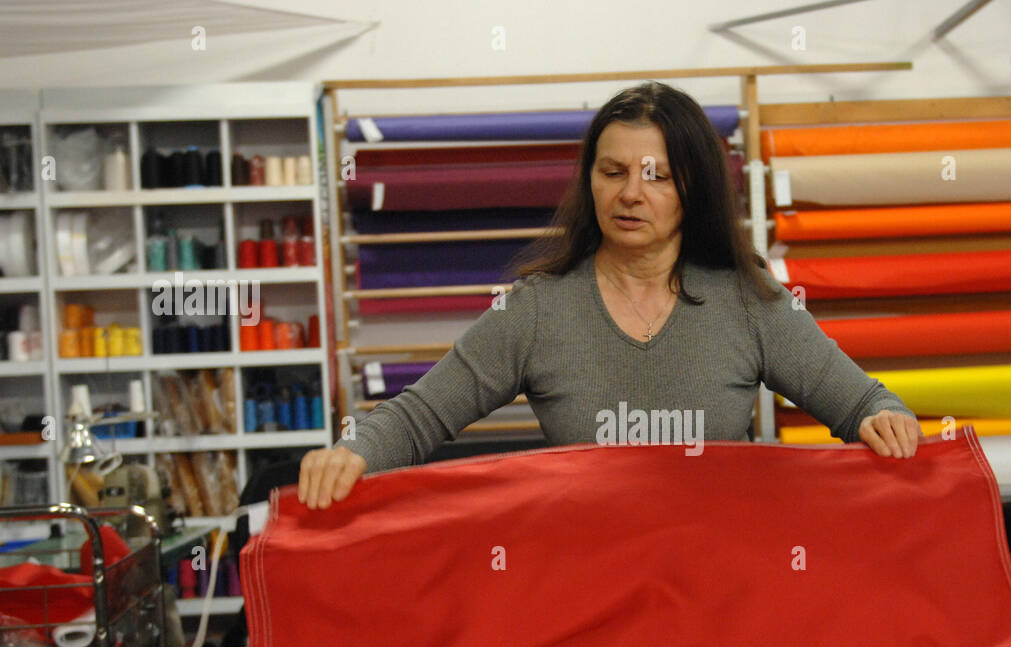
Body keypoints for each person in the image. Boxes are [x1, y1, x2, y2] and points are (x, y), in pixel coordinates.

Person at [300, 81, 921, 510]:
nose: (631, 194)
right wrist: (352, 451)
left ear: (693, 189)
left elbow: (864, 402)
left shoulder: (748, 301)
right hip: (586, 594)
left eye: (657, 176)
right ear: (590, 181)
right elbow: (417, 418)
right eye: (613, 171)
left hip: (723, 588)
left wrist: (886, 420)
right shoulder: (536, 309)